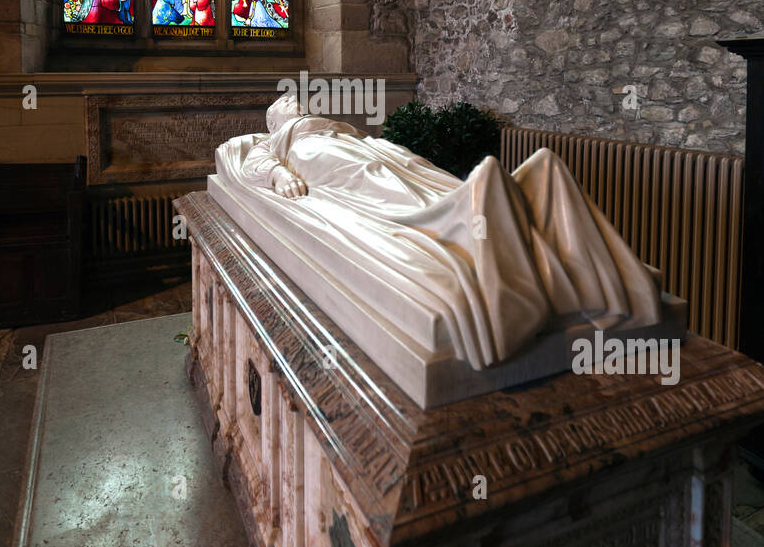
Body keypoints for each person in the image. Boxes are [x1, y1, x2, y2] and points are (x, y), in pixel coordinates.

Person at [215, 93, 663, 371]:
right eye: (284, 108)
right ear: (274, 121)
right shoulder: (270, 141)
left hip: (363, 150)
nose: (293, 107)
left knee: (408, 172)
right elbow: (252, 164)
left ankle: (489, 211)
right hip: (327, 161)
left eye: (297, 105)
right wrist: (277, 173)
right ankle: (464, 224)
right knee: (377, 184)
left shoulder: (336, 127)